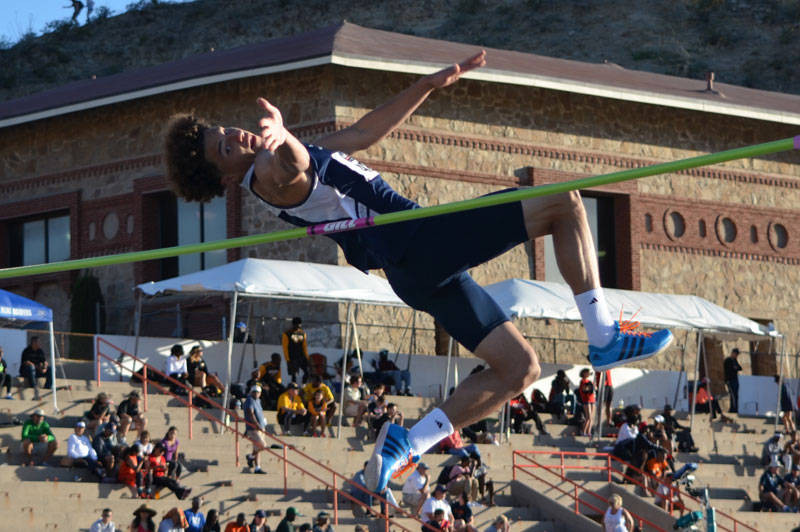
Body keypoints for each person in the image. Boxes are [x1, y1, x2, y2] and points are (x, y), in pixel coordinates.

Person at [163, 50, 673, 495]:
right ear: (224, 176)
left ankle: (405, 445)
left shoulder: (277, 158)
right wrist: (283, 138)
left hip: (411, 269)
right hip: (418, 240)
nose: (236, 136)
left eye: (225, 131)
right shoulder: (267, 172)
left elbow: (364, 132)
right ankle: (603, 334)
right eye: (224, 148)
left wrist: (426, 86)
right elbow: (293, 167)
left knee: (520, 369)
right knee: (563, 201)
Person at [243, 384, 268, 474]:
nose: (256, 394)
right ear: (251, 392)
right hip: (253, 428)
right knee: (262, 445)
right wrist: (257, 425)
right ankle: (250, 457)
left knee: (256, 448)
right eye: (254, 392)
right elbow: (250, 413)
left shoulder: (258, 401)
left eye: (257, 392)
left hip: (260, 428)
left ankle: (257, 467)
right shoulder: (250, 400)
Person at [282, 317, 310, 383]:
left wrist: (307, 357)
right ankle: (294, 387)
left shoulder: (303, 333)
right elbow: (285, 348)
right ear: (293, 324)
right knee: (294, 375)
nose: (298, 326)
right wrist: (287, 359)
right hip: (292, 357)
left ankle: (303, 385)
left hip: (301, 356)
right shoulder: (287, 334)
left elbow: (304, 346)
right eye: (296, 324)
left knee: (307, 372)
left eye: (299, 324)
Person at [724, 348, 743, 413]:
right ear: (733, 353)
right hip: (730, 380)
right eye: (735, 354)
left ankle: (735, 408)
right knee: (732, 395)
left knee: (736, 394)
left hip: (735, 379)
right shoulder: (728, 360)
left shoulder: (735, 360)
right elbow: (728, 370)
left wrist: (736, 368)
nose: (736, 355)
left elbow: (740, 368)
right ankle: (733, 408)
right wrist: (734, 368)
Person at [578, 368, 596, 437]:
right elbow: (584, 389)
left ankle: (589, 431)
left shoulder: (589, 381)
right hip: (586, 400)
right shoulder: (583, 381)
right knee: (588, 417)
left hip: (592, 399)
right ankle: (583, 431)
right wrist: (589, 387)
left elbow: (594, 389)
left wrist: (593, 386)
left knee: (591, 418)